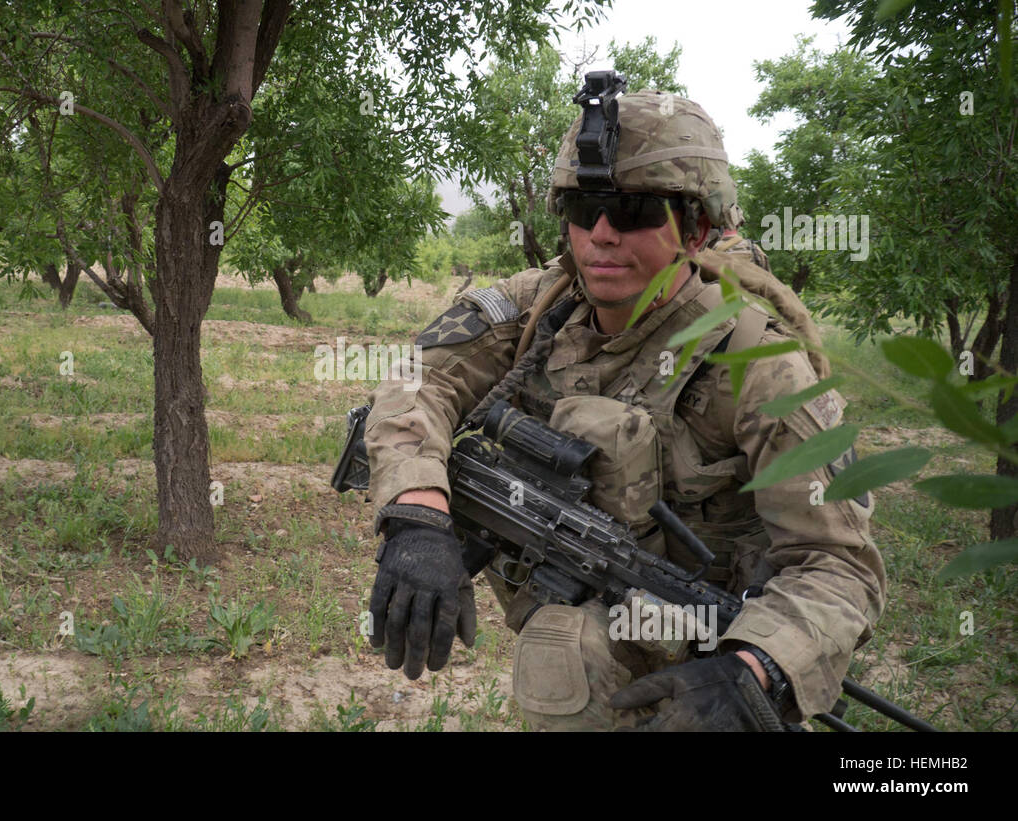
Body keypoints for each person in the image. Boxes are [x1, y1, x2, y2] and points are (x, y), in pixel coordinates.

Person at [362, 75, 886, 731]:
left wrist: (754, 670)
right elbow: (416, 381)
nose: (602, 234)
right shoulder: (534, 308)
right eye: (585, 209)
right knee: (562, 650)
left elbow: (838, 564)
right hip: (588, 618)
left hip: (721, 639)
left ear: (696, 228)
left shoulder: (763, 363)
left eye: (635, 211)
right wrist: (416, 514)